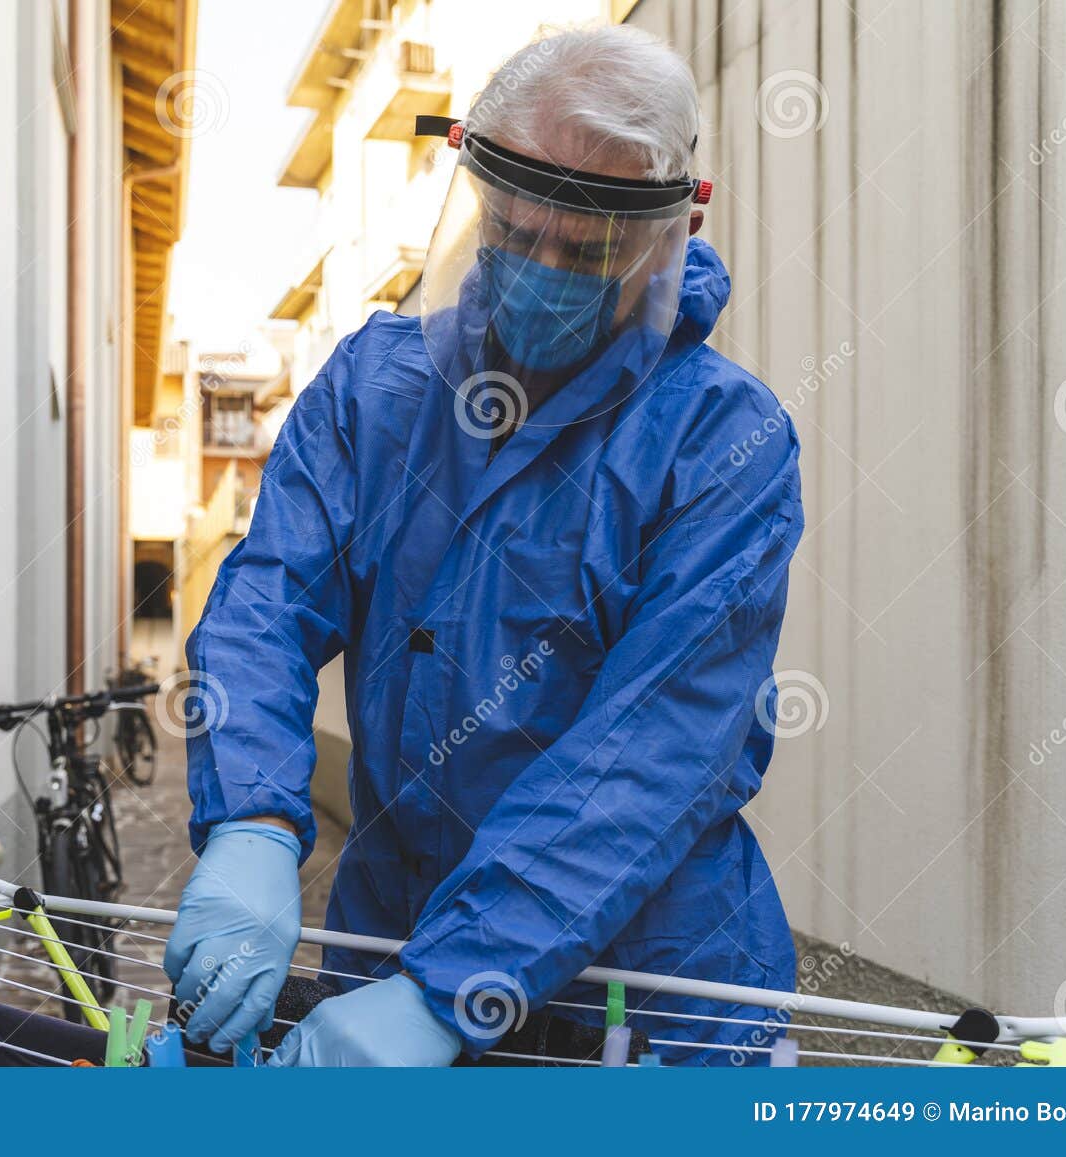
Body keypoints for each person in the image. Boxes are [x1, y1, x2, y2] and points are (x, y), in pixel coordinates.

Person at [163, 22, 804, 1067]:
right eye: (516, 232)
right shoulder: (380, 390)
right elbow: (267, 602)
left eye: (584, 248)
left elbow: (649, 751)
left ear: (664, 233)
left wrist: (450, 987)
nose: (543, 269)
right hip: (394, 929)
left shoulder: (722, 441)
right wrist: (255, 824)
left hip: (641, 994)